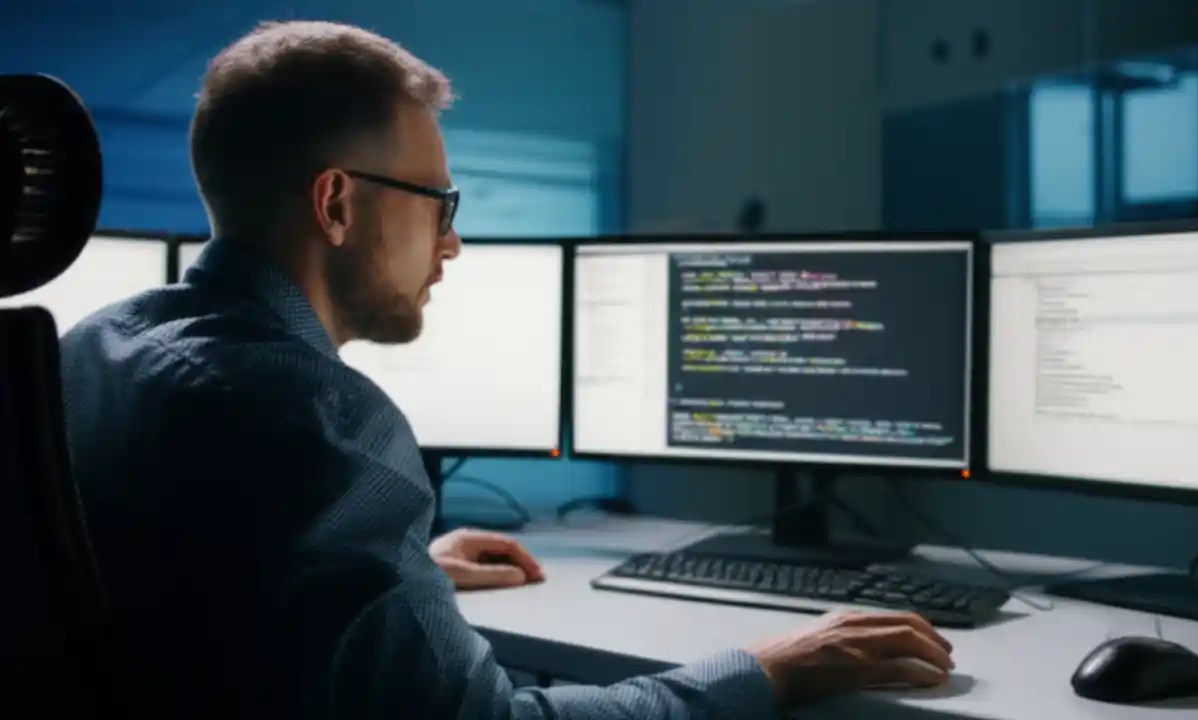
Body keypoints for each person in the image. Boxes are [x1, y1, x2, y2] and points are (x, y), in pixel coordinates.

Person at [59, 20, 954, 719]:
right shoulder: (318, 420)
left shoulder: (97, 348)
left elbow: (189, 594)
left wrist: (401, 570)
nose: (451, 241)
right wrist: (764, 670)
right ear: (335, 202)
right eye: (438, 202)